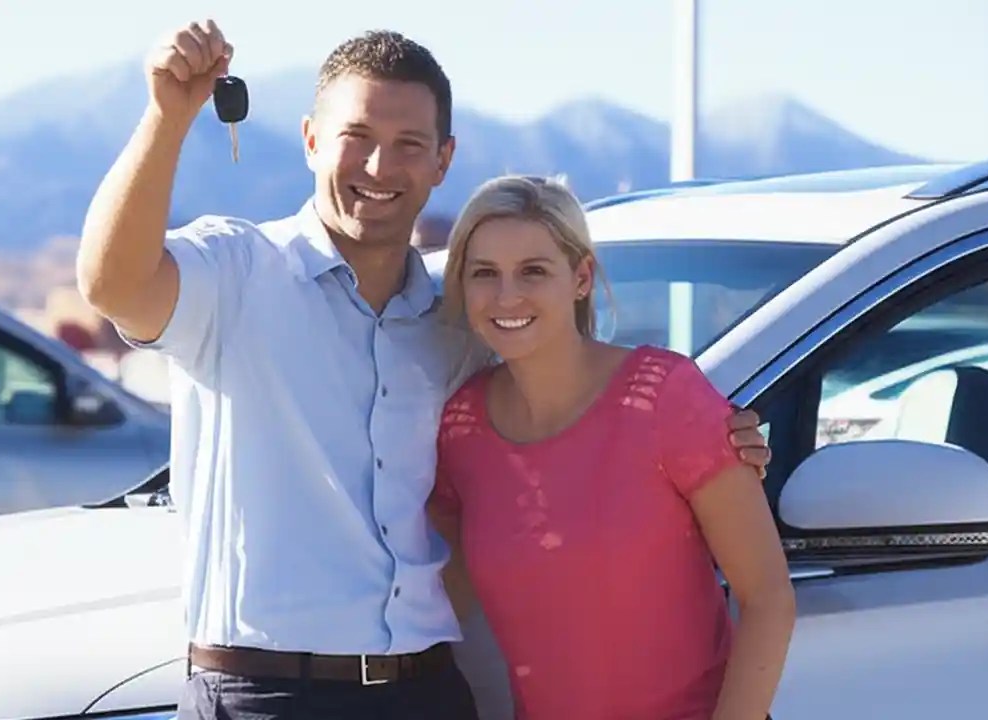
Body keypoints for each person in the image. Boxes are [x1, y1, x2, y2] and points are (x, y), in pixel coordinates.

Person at [76, 19, 773, 720]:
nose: (380, 168)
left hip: (429, 693)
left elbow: (574, 428)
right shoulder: (235, 275)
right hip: (266, 695)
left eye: (409, 145)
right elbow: (112, 285)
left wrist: (721, 438)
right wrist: (168, 117)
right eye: (357, 138)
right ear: (312, 140)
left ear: (443, 161)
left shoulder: (459, 329)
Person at [430, 174, 796, 720]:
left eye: (533, 271)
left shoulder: (664, 396)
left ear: (581, 278)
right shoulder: (460, 430)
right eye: (485, 273)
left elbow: (768, 600)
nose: (507, 296)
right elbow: (439, 600)